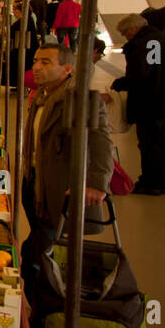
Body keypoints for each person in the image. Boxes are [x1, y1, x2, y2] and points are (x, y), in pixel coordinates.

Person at [20, 45, 114, 303]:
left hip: (59, 187)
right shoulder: (43, 95)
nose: (36, 67)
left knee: (41, 251)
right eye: (36, 61)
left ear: (67, 68)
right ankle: (40, 298)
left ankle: (46, 306)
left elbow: (101, 141)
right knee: (39, 241)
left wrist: (96, 182)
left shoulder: (78, 97)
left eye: (46, 62)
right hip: (37, 182)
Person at [111, 14, 165, 195]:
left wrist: (121, 83)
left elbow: (145, 73)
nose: (126, 37)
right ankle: (162, 181)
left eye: (125, 33)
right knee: (164, 143)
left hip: (152, 103)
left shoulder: (149, 44)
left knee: (150, 144)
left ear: (132, 29)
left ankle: (151, 183)